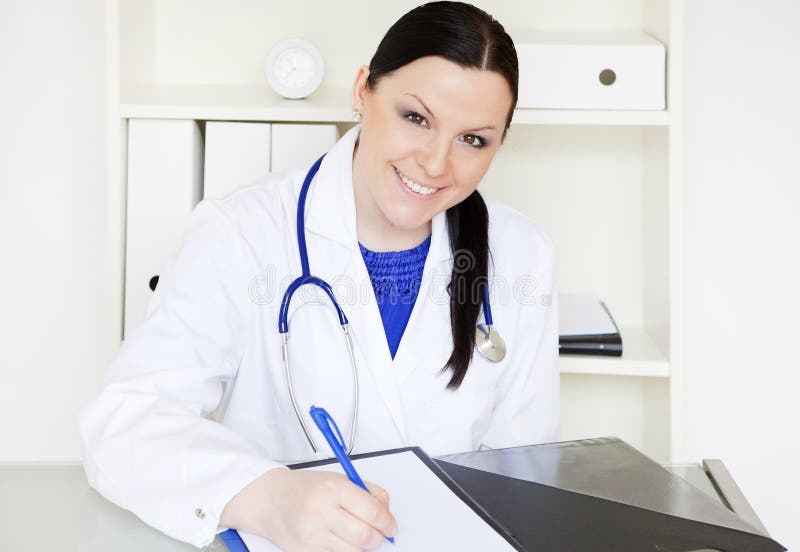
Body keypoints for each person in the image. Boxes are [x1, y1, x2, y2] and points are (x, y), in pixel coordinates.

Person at [79, 2, 559, 550]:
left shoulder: (522, 253)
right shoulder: (243, 232)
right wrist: (267, 498)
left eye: (473, 139)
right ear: (361, 92)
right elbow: (124, 425)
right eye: (416, 118)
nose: (435, 163)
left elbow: (524, 470)